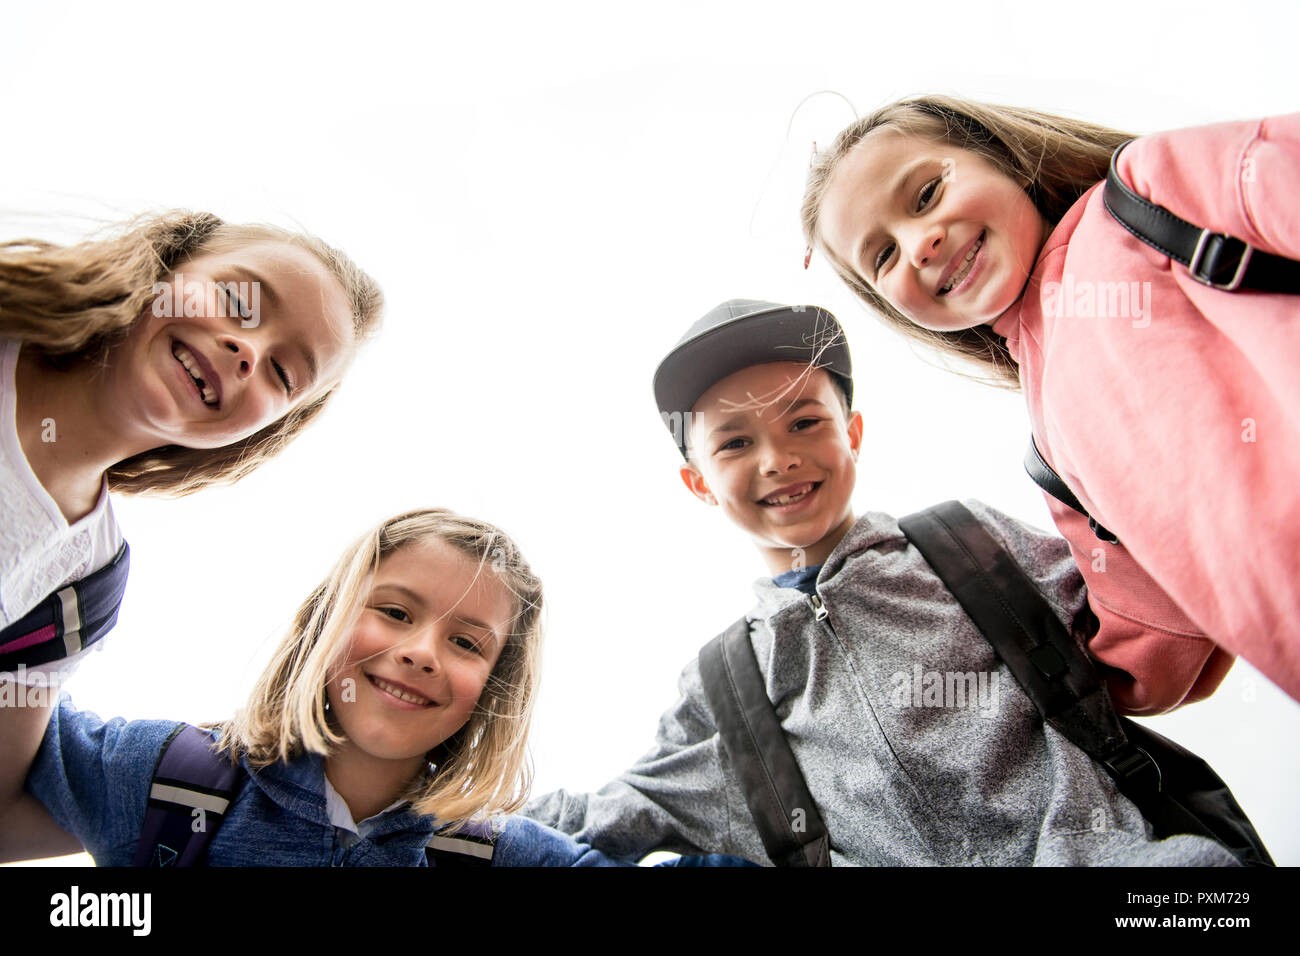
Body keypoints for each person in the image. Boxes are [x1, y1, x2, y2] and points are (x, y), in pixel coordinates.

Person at [525, 299, 1242, 866]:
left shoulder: (967, 546)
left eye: (805, 421)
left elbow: (1150, 607)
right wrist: (434, 803)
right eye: (736, 442)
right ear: (698, 482)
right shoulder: (722, 687)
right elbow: (602, 815)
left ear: (854, 435)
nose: (778, 458)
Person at [799, 97, 1300, 710]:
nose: (919, 243)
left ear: (998, 156)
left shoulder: (1150, 193)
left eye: (927, 193)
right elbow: (1151, 641)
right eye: (883, 256)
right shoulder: (1051, 451)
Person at [0, 508, 749, 866]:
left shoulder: (499, 856)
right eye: (394, 612)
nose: (421, 652)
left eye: (465, 643)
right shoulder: (160, 775)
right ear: (326, 621)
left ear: (493, 689)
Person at [0, 210, 384, 806]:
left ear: (263, 431)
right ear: (165, 267)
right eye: (236, 299)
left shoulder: (81, 590)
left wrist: (238, 789)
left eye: (282, 373)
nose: (245, 349)